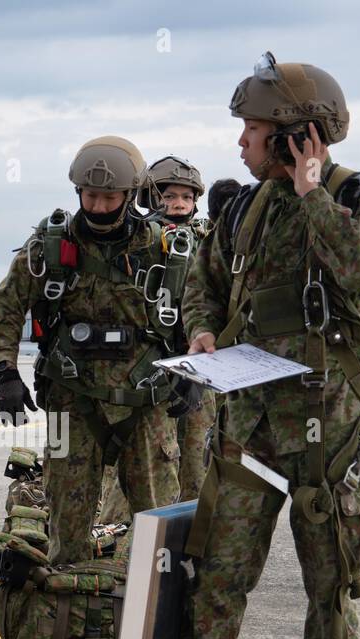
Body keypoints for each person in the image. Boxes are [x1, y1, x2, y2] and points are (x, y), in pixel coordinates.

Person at [155, 53, 360, 639]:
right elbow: (202, 281)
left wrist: (313, 190)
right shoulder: (242, 208)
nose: (240, 143)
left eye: (254, 130)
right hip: (253, 428)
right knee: (219, 573)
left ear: (299, 137)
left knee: (330, 583)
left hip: (329, 434)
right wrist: (201, 332)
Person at [0, 136, 189, 565]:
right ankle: (66, 618)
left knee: (159, 524)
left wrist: (195, 376)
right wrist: (7, 373)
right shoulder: (51, 245)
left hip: (147, 403)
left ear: (131, 195)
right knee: (65, 520)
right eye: (90, 195)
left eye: (109, 197)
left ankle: (153, 615)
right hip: (69, 401)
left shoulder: (166, 251)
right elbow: (5, 308)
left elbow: (201, 315)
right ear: (78, 190)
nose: (97, 206)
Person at [98, 155, 221, 522]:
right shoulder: (133, 241)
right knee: (142, 457)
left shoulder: (210, 240)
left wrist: (200, 370)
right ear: (152, 198)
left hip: (199, 364)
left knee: (197, 455)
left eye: (186, 196)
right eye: (169, 196)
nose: (178, 203)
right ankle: (119, 534)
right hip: (144, 367)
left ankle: (195, 535)